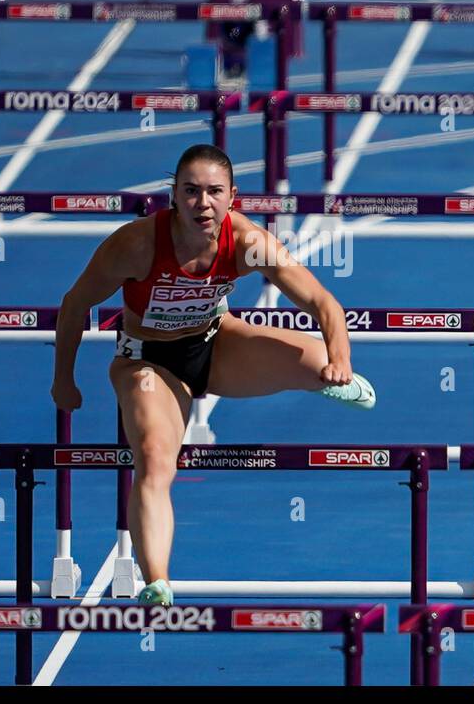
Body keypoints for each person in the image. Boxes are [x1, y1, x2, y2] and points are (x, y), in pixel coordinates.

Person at [52, 144, 375, 605]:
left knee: (319, 358)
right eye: (191, 191)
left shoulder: (248, 242)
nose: (202, 203)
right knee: (155, 457)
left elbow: (324, 303)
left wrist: (339, 359)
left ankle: (326, 378)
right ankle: (157, 580)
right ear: (173, 196)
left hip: (214, 344)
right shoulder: (137, 245)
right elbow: (74, 303)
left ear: (232, 197)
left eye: (213, 192)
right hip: (148, 361)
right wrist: (63, 380)